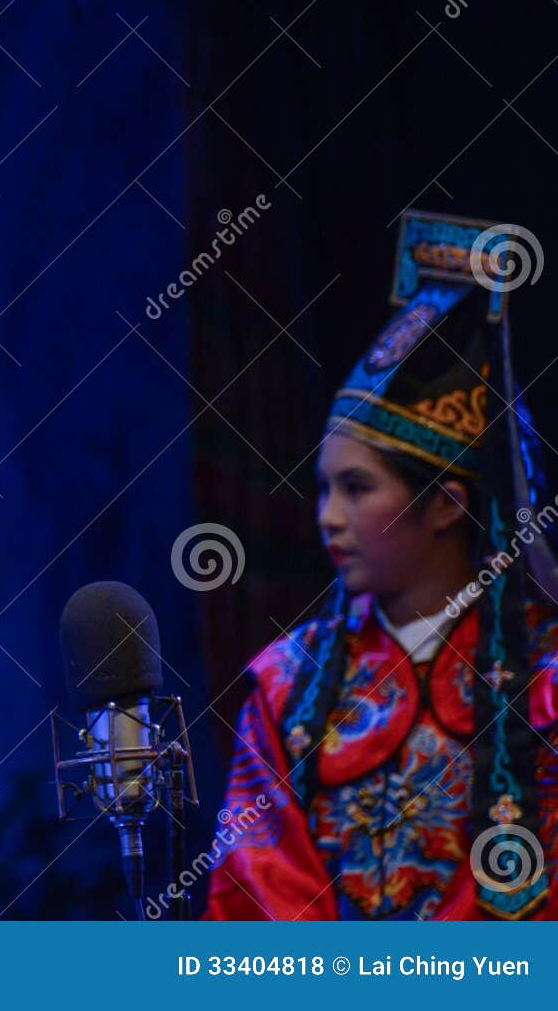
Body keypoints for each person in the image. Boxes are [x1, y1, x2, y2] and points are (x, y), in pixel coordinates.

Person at [207, 211, 558, 920]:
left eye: (358, 488)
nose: (328, 517)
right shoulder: (289, 684)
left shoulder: (546, 681)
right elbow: (257, 896)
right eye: (323, 488)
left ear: (445, 506)